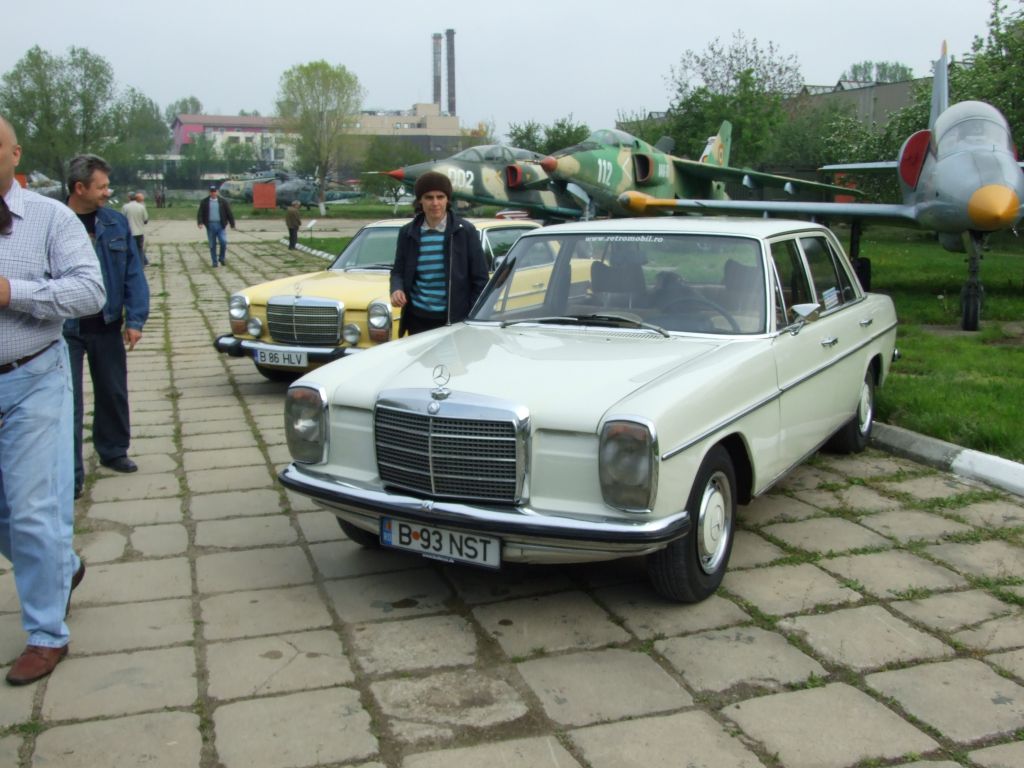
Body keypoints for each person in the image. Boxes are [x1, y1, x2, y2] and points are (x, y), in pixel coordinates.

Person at [0, 116, 106, 685]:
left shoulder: (48, 218)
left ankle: (45, 633)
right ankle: (63, 568)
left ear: (15, 154)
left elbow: (90, 291)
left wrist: (13, 292)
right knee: (3, 515)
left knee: (34, 509)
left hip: (32, 378)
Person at [63, 155, 150, 499]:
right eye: (101, 187)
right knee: (68, 402)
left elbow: (133, 272)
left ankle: (113, 450)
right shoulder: (54, 221)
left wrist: (136, 318)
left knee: (113, 391)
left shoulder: (114, 223)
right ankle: (70, 473)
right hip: (64, 327)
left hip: (106, 322)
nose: (107, 192)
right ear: (79, 188)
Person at [390, 171, 488, 336]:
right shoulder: (407, 233)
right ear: (420, 200)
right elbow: (398, 271)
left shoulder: (465, 232)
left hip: (454, 321)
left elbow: (481, 280)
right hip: (418, 320)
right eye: (429, 197)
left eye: (440, 197)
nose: (435, 203)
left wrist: (470, 315)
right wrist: (396, 289)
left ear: (447, 199)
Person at [197, 184, 235, 267]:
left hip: (220, 225)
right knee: (212, 245)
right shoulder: (205, 202)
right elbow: (200, 213)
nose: (213, 193)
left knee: (223, 242)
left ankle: (221, 257)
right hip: (210, 225)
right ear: (209, 192)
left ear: (217, 192)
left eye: (214, 191)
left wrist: (232, 223)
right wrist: (200, 222)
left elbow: (229, 213)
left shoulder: (223, 202)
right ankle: (214, 262)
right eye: (211, 192)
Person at [121, 190, 149, 266]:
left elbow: (122, 219)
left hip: (130, 232)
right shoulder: (141, 207)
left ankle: (132, 264)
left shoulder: (125, 207)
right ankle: (141, 264)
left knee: (130, 249)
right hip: (139, 232)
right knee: (139, 249)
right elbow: (145, 220)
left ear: (129, 197)